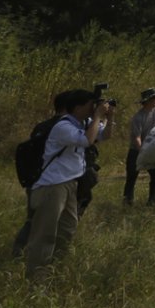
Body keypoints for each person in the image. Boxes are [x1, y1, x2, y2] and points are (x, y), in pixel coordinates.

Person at [23, 89, 113, 281]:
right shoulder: (62, 126)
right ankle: (37, 278)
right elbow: (88, 140)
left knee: (68, 227)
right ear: (79, 107)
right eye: (91, 105)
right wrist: (98, 116)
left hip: (70, 184)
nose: (93, 108)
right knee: (45, 232)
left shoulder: (85, 123)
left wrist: (109, 117)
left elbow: (105, 136)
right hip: (52, 186)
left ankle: (54, 269)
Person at [124, 87, 155, 205]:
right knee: (132, 176)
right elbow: (137, 137)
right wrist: (142, 151)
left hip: (151, 149)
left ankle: (152, 201)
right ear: (147, 101)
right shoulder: (138, 117)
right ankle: (128, 201)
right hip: (136, 150)